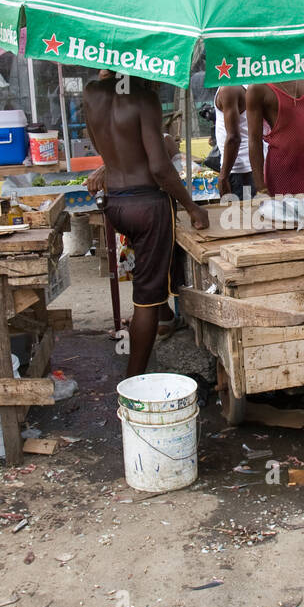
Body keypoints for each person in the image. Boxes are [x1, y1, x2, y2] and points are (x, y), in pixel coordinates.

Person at [83, 71, 210, 377]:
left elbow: (101, 143)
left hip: (115, 204)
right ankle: (133, 379)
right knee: (147, 298)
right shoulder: (144, 99)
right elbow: (159, 169)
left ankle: (166, 320)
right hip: (147, 206)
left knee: (147, 280)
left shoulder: (92, 93)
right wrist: (192, 207)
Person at [246, 77, 304, 195]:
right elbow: (254, 141)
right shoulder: (258, 88)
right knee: (285, 212)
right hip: (283, 172)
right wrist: (260, 187)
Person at [214, 84, 254, 198]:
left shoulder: (229, 88)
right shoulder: (249, 83)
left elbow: (234, 138)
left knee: (243, 214)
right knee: (249, 213)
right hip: (248, 166)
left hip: (239, 169)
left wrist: (223, 176)